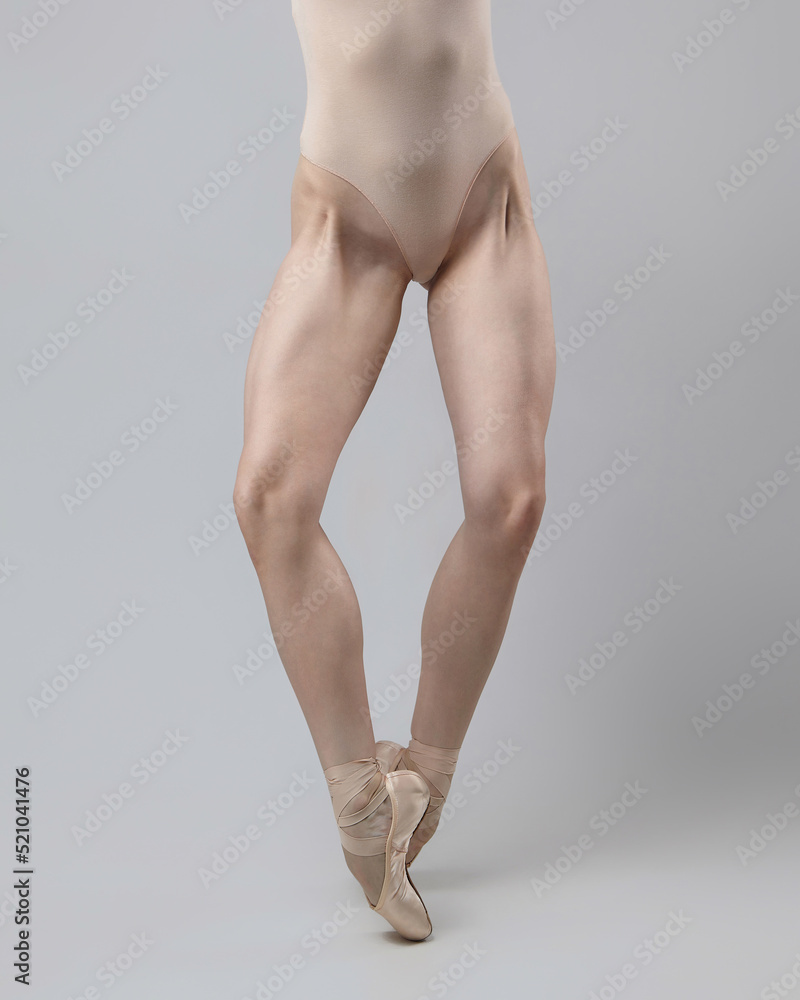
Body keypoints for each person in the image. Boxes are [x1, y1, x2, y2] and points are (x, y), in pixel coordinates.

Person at [234, 0, 557, 941]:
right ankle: (360, 808)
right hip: (349, 212)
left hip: (479, 199)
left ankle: (423, 778)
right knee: (269, 497)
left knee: (511, 499)